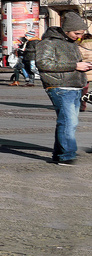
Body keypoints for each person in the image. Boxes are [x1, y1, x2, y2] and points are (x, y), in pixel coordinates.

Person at [29, 12, 92, 166]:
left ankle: (59, 154)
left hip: (75, 86)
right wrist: (75, 66)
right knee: (69, 122)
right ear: (66, 30)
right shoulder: (48, 42)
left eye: (81, 34)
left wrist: (84, 68)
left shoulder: (71, 43)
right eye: (76, 33)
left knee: (66, 121)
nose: (78, 36)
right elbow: (43, 64)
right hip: (59, 86)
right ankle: (67, 155)